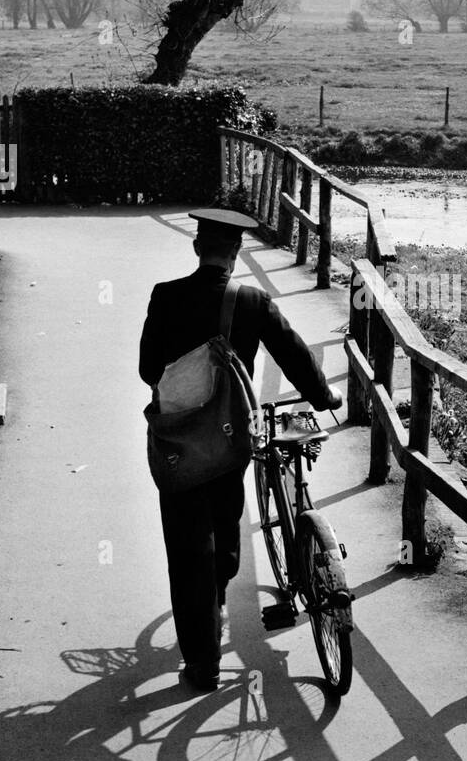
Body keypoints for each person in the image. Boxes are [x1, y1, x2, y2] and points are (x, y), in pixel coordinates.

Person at [139, 209, 342, 693]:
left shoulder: (166, 297)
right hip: (231, 441)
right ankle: (222, 591)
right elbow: (294, 354)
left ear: (196, 248)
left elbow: (148, 370)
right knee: (225, 525)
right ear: (236, 254)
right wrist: (324, 396)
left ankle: (203, 665)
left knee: (189, 551)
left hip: (181, 445)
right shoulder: (252, 300)